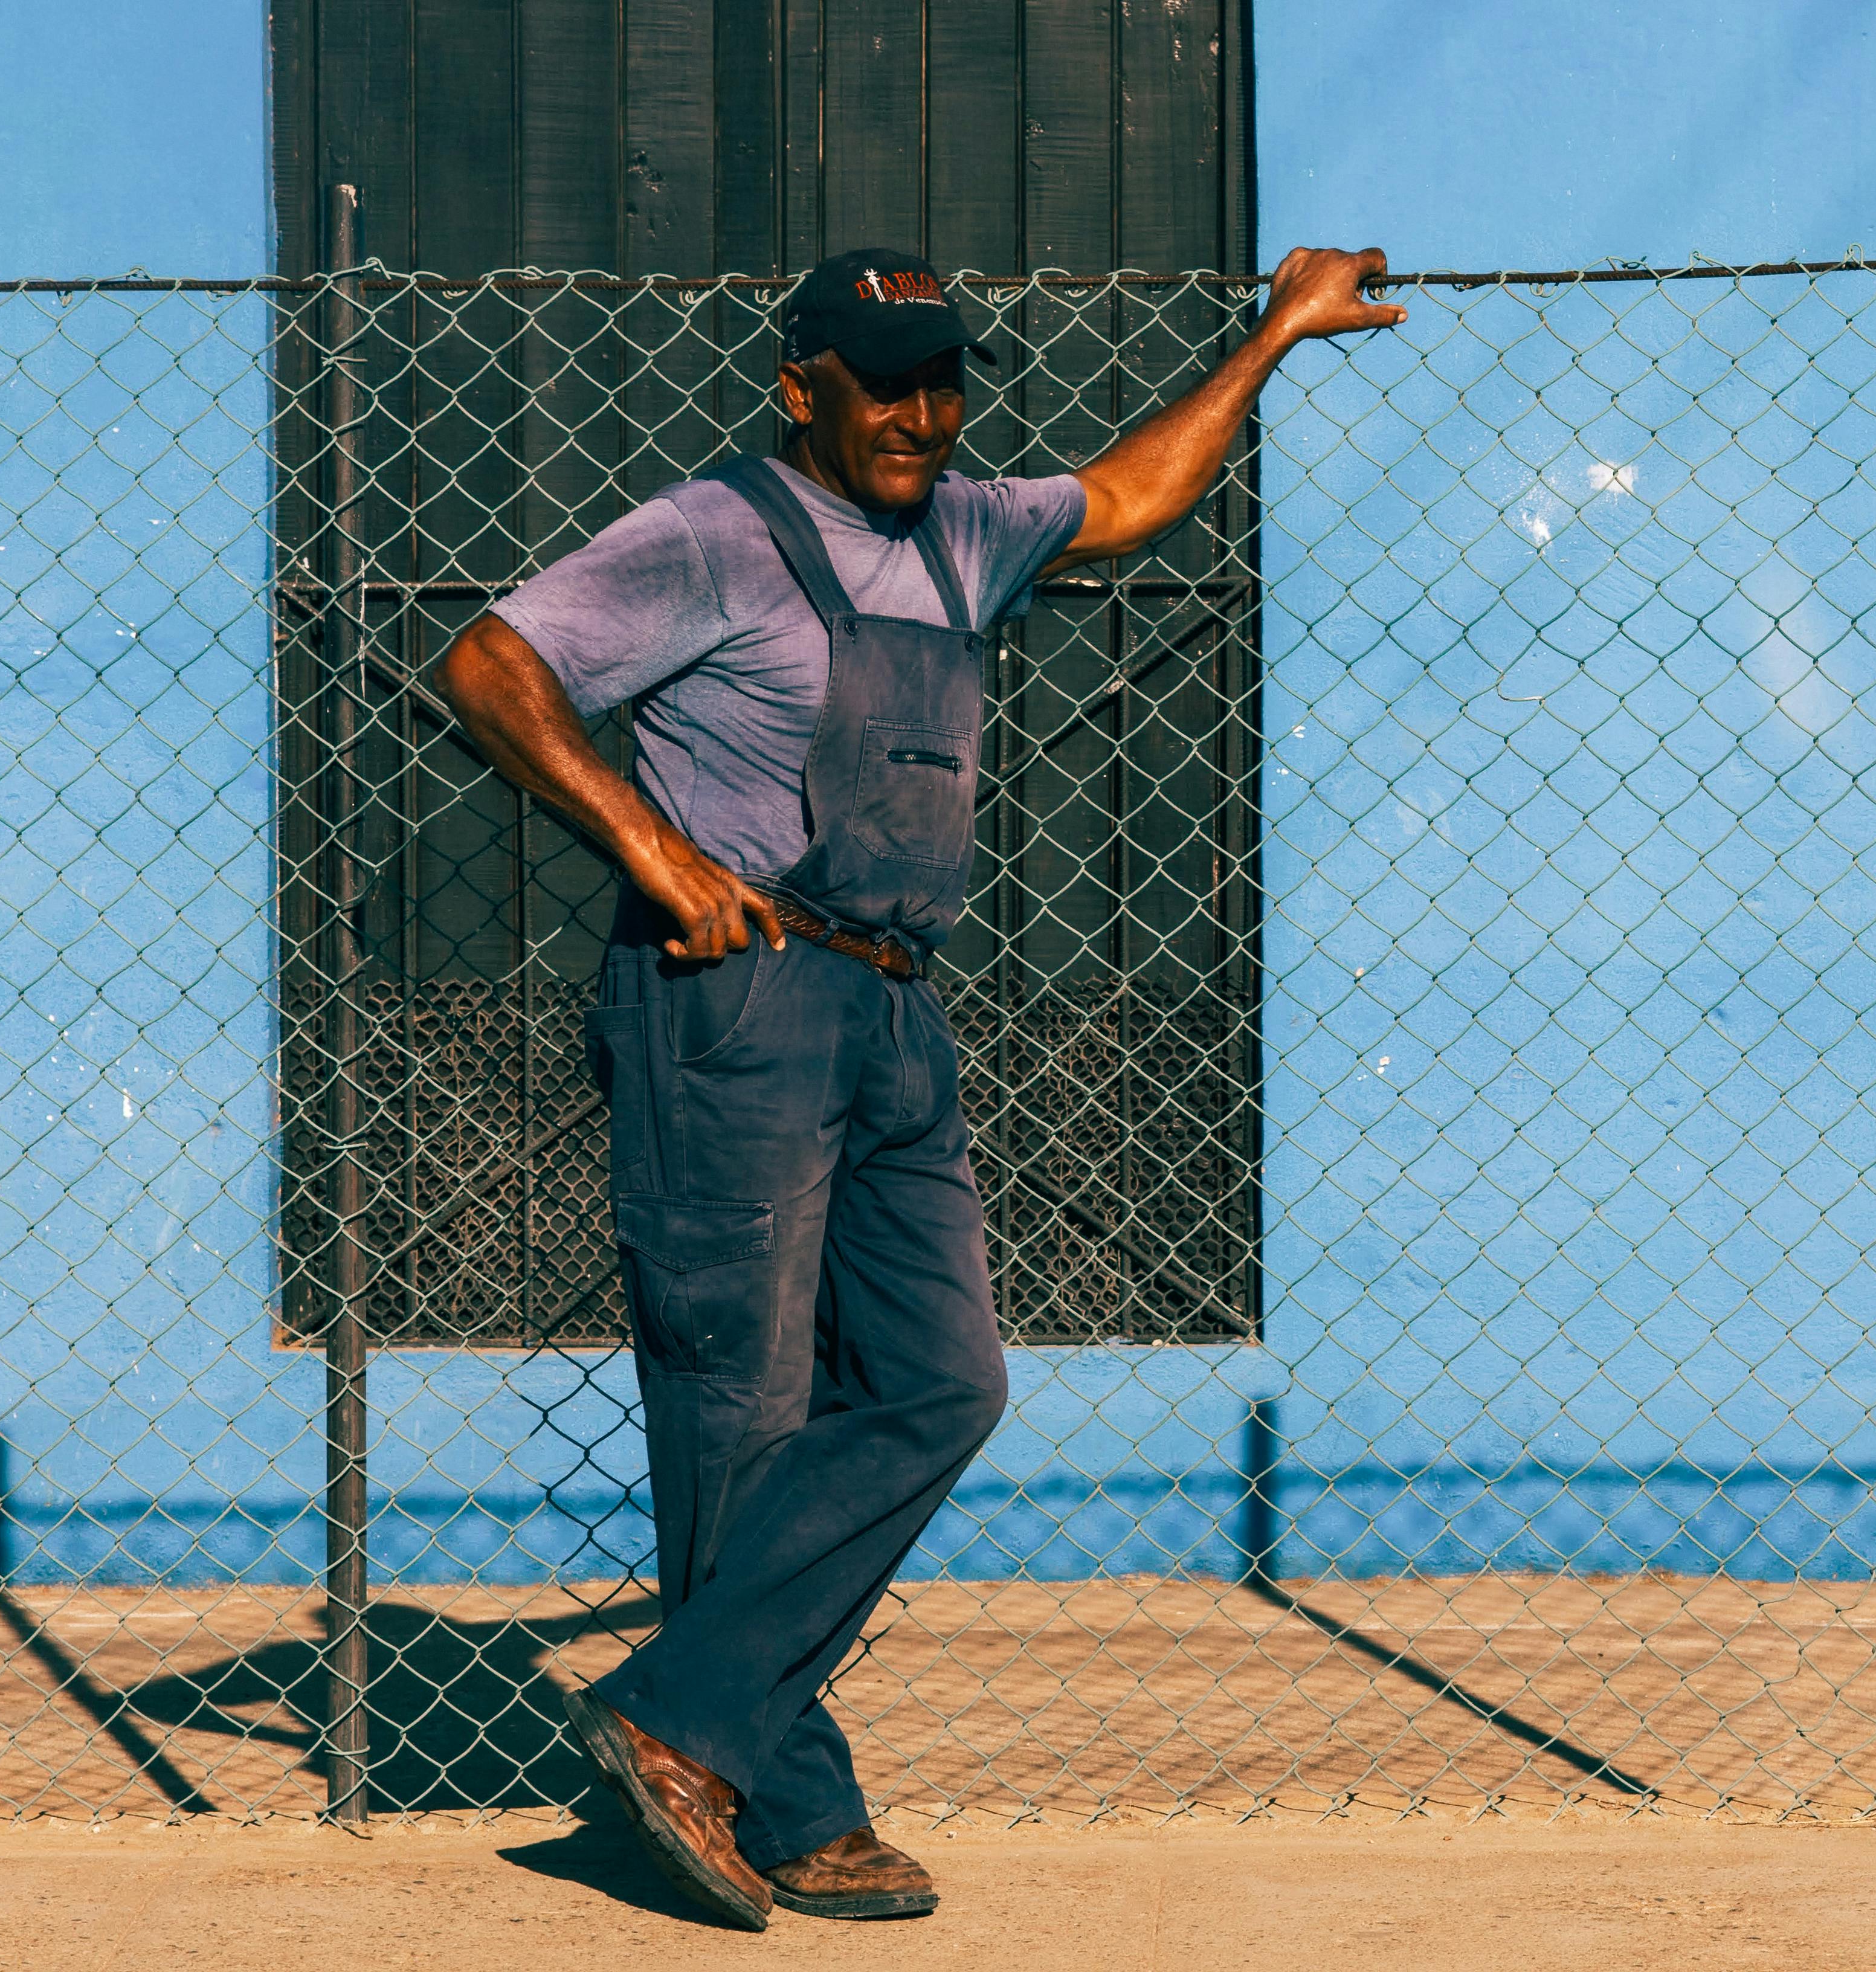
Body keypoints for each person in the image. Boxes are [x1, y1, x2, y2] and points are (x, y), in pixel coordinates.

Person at [436, 241, 1405, 1928]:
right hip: (731, 1001)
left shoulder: (966, 528)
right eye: (882, 380)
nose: (919, 411)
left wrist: (1276, 339)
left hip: (893, 1012)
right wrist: (653, 849)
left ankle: (680, 1720)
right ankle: (786, 1802)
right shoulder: (711, 533)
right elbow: (492, 665)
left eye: (943, 377)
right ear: (801, 383)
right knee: (742, 1413)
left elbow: (1129, 493)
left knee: (944, 1384)